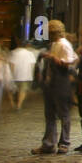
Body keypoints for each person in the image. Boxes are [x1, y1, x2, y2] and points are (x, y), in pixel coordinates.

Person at [32, 19, 76, 155]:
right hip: (51, 82)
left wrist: (53, 58)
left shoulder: (64, 44)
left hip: (61, 82)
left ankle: (64, 143)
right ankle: (48, 143)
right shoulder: (54, 44)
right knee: (50, 113)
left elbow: (70, 62)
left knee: (63, 113)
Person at [7, 38, 37, 110]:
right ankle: (19, 104)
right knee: (22, 90)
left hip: (15, 75)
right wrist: (32, 75)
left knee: (10, 90)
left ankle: (12, 103)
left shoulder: (13, 52)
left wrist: (10, 75)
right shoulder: (30, 54)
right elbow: (32, 65)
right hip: (25, 75)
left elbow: (11, 64)